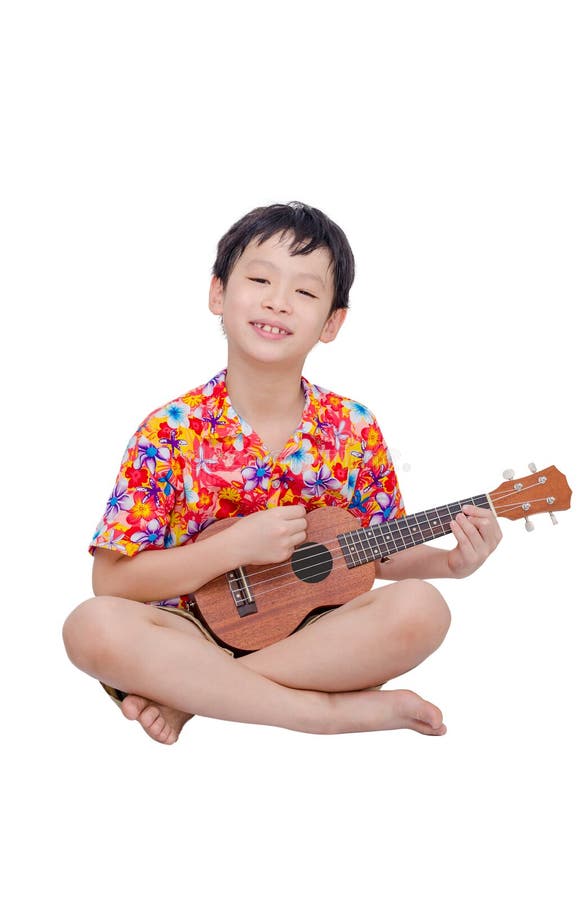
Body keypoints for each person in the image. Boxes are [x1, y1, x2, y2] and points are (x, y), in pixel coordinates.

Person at [62, 201, 502, 743]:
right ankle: (323, 712)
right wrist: (231, 549)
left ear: (332, 322)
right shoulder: (171, 430)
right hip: (188, 633)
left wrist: (451, 563)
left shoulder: (352, 427)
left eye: (305, 291)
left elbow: (373, 548)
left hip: (310, 636)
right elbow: (110, 581)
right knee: (90, 626)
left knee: (423, 610)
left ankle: (191, 698)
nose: (278, 301)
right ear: (217, 293)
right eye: (260, 279)